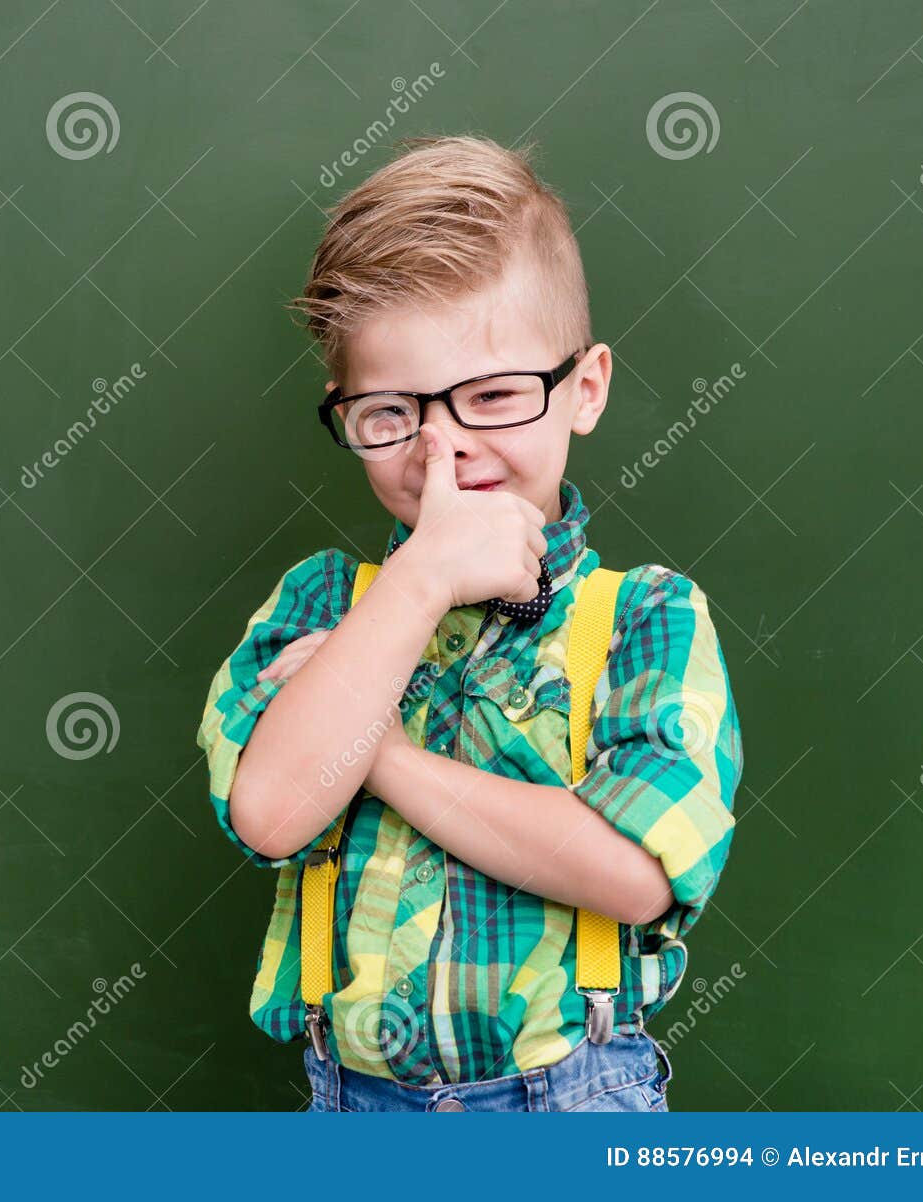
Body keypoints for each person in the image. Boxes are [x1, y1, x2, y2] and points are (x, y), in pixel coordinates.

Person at [195, 134, 742, 1112]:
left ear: (584, 388)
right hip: (355, 1106)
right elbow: (274, 813)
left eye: (492, 395)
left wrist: (379, 749)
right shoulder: (321, 603)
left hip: (572, 1101)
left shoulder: (645, 616)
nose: (443, 450)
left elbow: (632, 874)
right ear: (346, 415)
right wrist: (421, 580)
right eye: (393, 411)